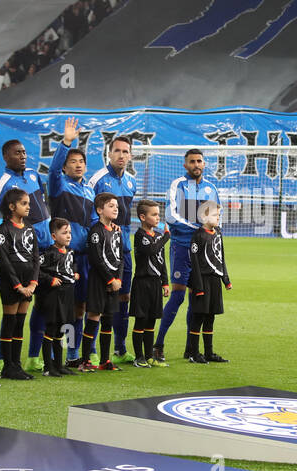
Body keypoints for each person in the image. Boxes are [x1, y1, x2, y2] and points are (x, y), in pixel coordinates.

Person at [0, 138, 52, 373]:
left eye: (24, 152)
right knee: (12, 312)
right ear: (6, 157)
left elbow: (42, 207)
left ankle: (32, 357)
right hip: (18, 255)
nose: (23, 156)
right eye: (17, 153)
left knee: (40, 306)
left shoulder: (34, 176)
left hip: (42, 250)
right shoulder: (3, 183)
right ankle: (3, 361)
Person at [155, 148, 220, 362]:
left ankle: (190, 349)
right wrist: (195, 228)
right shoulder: (178, 185)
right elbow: (170, 216)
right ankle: (159, 344)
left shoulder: (211, 188)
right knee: (178, 295)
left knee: (197, 298)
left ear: (204, 164)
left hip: (202, 252)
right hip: (182, 247)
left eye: (199, 161)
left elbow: (215, 217)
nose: (196, 165)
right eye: (192, 161)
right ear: (185, 165)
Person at [48, 117, 95, 366]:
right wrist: (66, 142)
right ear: (65, 167)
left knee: (83, 307)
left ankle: (77, 354)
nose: (78, 165)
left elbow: (96, 221)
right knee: (62, 309)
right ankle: (56, 355)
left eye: (81, 162)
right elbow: (53, 170)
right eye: (72, 162)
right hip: (64, 258)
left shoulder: (90, 191)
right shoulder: (59, 186)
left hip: (86, 258)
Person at [89, 136, 137, 364]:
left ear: (130, 155)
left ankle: (119, 347)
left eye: (125, 151)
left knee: (123, 297)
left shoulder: (131, 181)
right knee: (96, 304)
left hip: (124, 251)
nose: (121, 155)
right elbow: (89, 213)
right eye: (116, 151)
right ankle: (92, 351)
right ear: (109, 154)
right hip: (103, 250)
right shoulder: (98, 179)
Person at [0, 188, 39, 381]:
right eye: (24, 203)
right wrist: (18, 286)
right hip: (12, 283)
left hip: (29, 283)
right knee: (10, 322)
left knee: (20, 323)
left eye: (28, 203)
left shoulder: (29, 228)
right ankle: (7, 365)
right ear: (12, 207)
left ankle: (16, 364)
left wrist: (33, 283)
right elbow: (4, 260)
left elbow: (36, 257)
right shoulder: (4, 229)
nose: (28, 207)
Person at [185, 200, 232, 365]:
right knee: (198, 317)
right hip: (201, 281)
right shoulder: (198, 236)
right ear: (204, 216)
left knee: (211, 317)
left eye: (218, 215)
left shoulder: (218, 232)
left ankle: (209, 352)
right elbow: (195, 262)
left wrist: (225, 279)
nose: (218, 218)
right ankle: (194, 353)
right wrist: (197, 286)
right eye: (214, 215)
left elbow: (221, 256)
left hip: (214, 281)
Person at [83, 192, 124, 372]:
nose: (115, 208)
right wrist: (109, 279)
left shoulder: (116, 231)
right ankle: (85, 360)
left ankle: (105, 361)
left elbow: (120, 257)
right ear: (100, 210)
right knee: (94, 318)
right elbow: (96, 258)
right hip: (99, 281)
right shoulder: (95, 231)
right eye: (110, 206)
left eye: (116, 206)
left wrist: (119, 279)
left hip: (115, 282)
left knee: (108, 319)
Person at [129, 199, 170, 368]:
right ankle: (139, 357)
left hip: (155, 283)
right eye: (154, 215)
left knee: (152, 320)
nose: (157, 218)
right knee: (141, 320)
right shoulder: (140, 236)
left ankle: (149, 356)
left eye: (158, 214)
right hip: (142, 283)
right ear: (142, 217)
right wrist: (167, 237)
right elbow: (152, 250)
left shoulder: (158, 236)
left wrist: (165, 282)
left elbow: (161, 261)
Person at [35, 218, 78, 378]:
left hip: (68, 295)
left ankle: (59, 365)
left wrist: (75, 272)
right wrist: (50, 279)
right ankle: (48, 366)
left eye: (69, 233)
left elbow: (73, 264)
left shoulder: (70, 251)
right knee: (51, 329)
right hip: (54, 296)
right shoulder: (49, 253)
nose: (68, 236)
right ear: (53, 236)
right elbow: (37, 270)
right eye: (64, 233)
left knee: (62, 329)